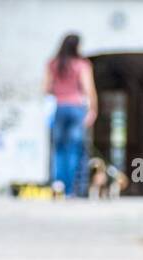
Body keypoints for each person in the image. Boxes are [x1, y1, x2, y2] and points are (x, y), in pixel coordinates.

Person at [45, 34, 97, 197]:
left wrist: (60, 89)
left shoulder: (53, 64)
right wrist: (93, 110)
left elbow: (46, 88)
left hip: (58, 107)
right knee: (73, 149)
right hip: (76, 108)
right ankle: (69, 190)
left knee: (58, 148)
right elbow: (89, 89)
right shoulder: (81, 64)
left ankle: (58, 185)